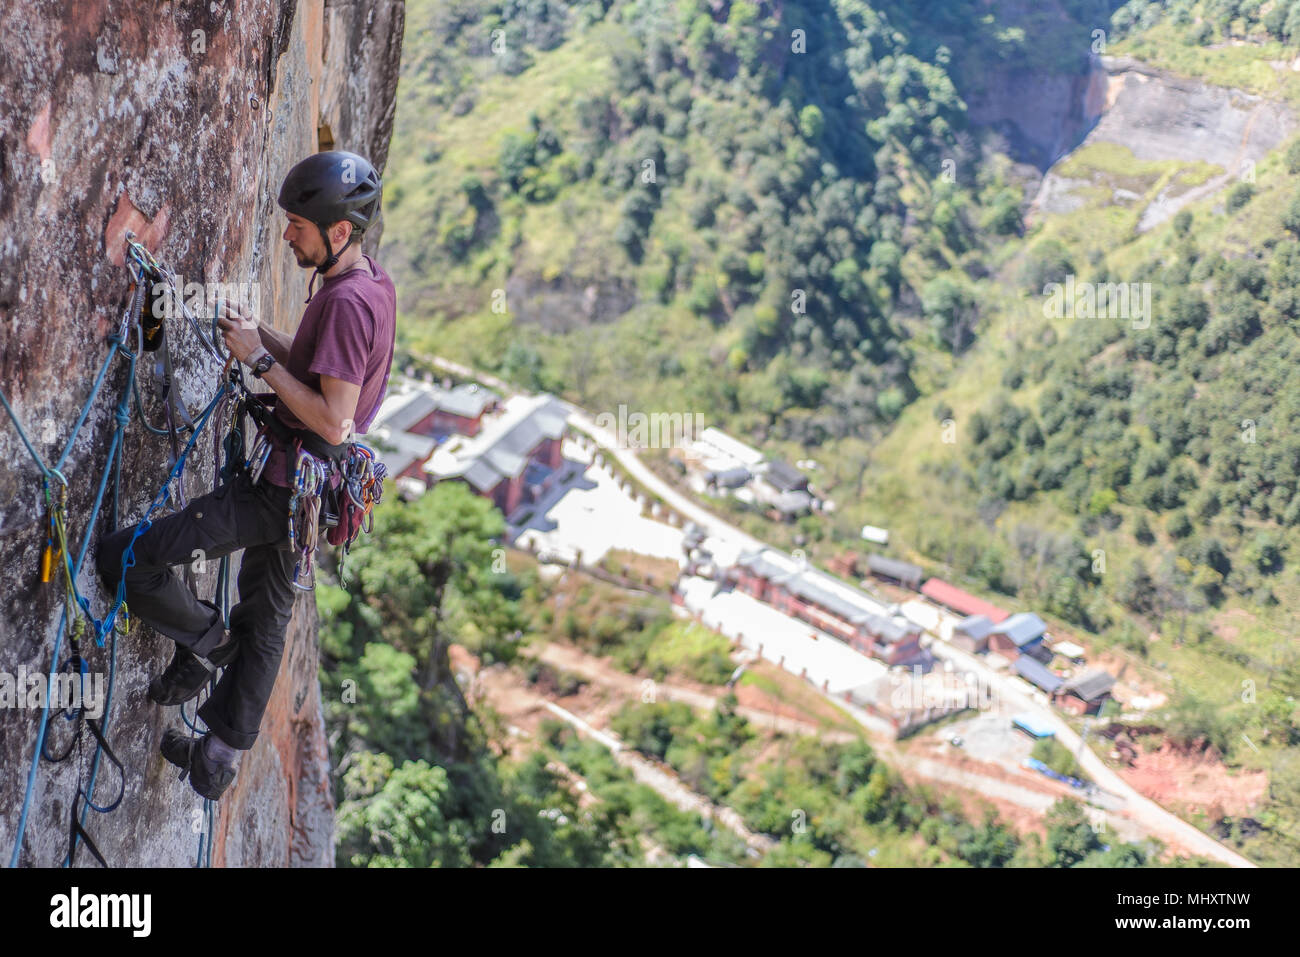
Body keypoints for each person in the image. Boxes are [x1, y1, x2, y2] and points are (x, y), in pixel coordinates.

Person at [96, 150, 397, 800]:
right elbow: (323, 367)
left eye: (298, 224)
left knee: (126, 559)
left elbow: (334, 417)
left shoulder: (346, 303)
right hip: (308, 491)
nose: (287, 234)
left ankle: (206, 645)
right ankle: (217, 758)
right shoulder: (367, 283)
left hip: (285, 490)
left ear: (337, 232)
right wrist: (255, 330)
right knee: (265, 618)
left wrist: (258, 357)